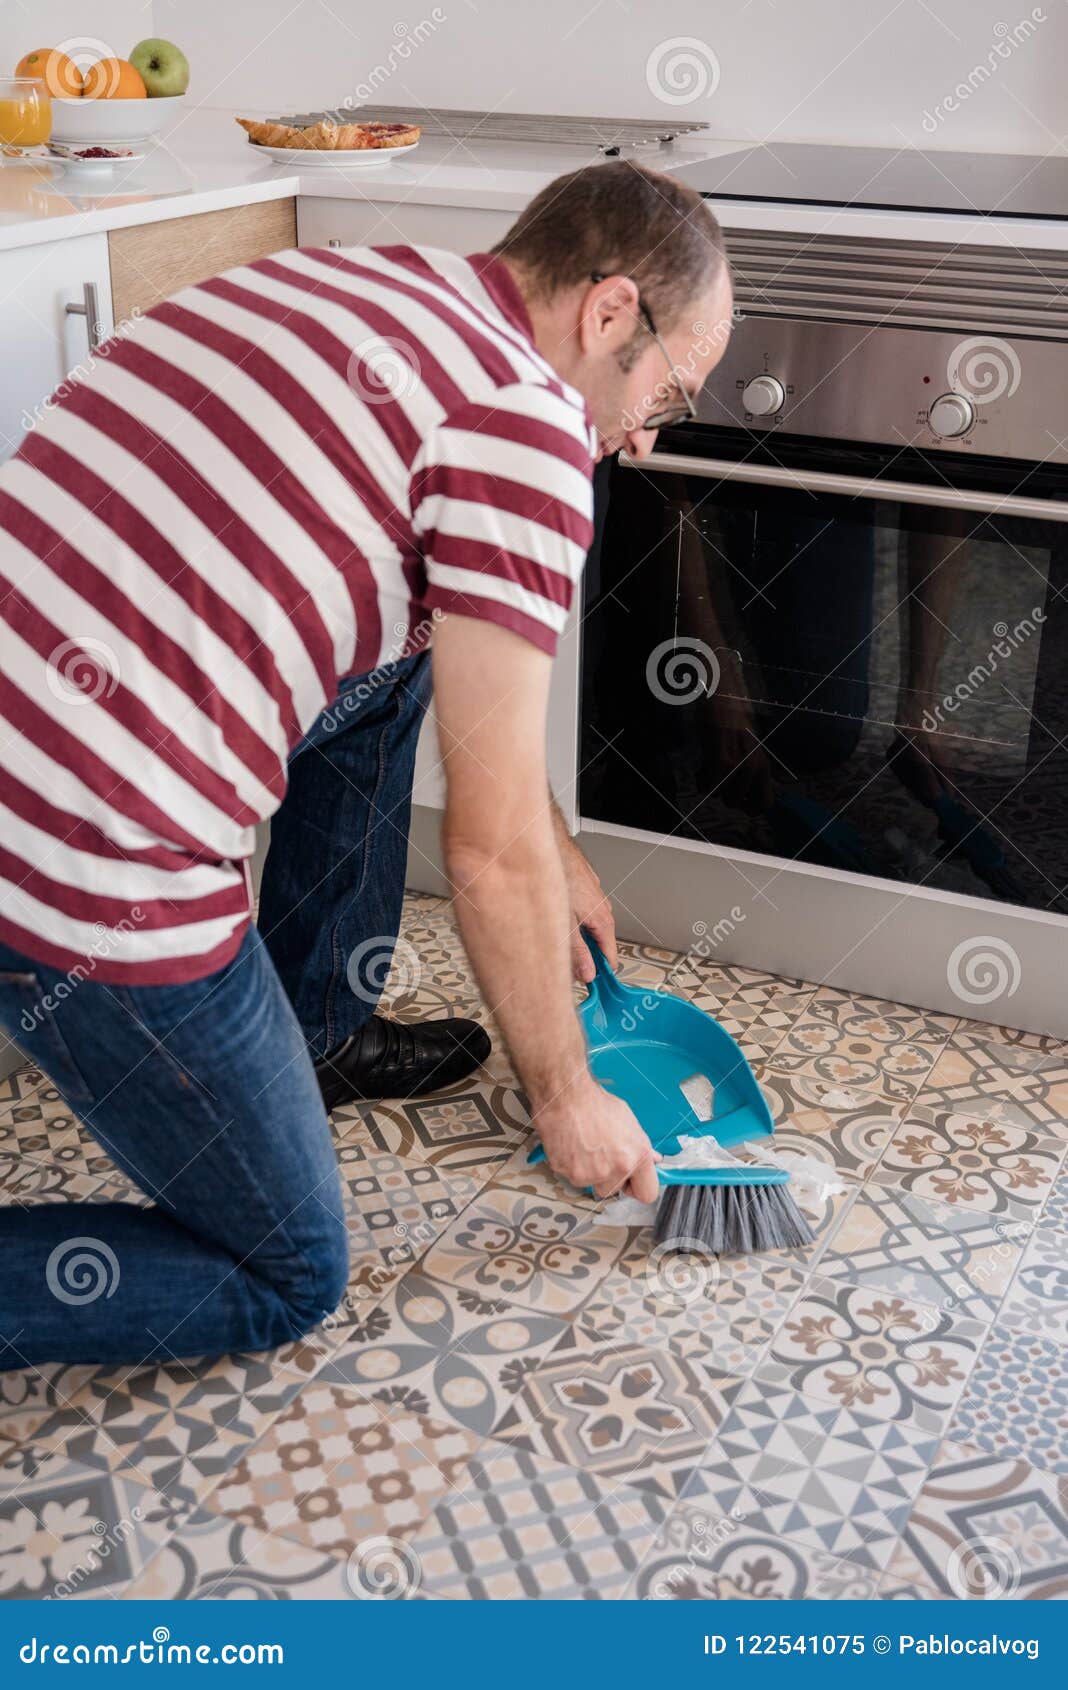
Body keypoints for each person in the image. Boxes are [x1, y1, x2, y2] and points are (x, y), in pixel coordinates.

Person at [0, 161, 733, 1367]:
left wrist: (562, 852)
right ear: (610, 314)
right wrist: (566, 1096)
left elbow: (479, 726)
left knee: (399, 659)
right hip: (80, 868)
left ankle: (316, 1026)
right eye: (671, 390)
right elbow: (485, 856)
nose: (647, 437)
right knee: (284, 1270)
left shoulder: (360, 281)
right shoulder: (532, 435)